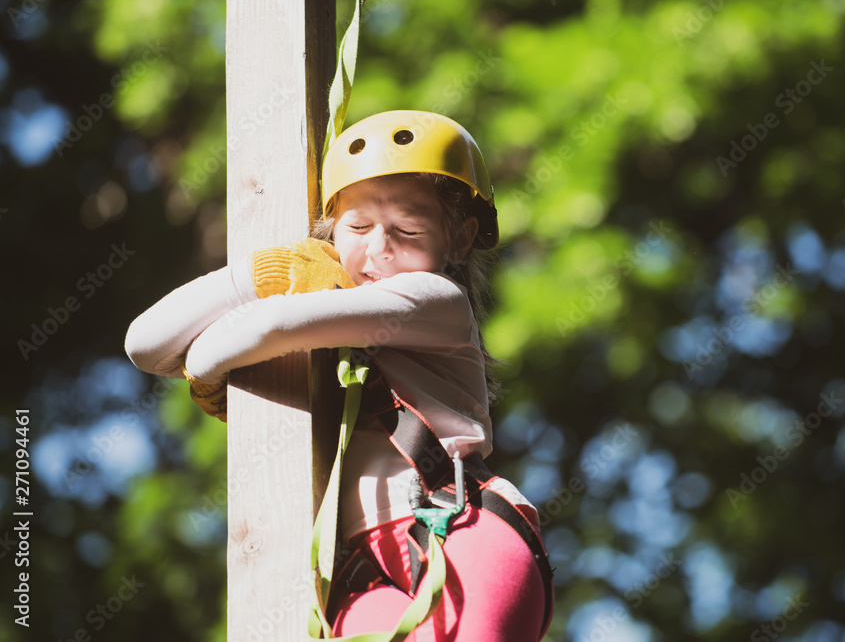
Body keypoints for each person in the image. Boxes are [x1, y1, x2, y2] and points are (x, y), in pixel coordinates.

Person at [124, 110, 552, 641]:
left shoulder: (438, 300)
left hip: (459, 530)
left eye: (407, 229)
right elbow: (144, 343)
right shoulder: (336, 326)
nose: (378, 249)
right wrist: (274, 269)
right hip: (357, 573)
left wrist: (272, 294)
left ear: (460, 240)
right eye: (357, 227)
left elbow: (255, 331)